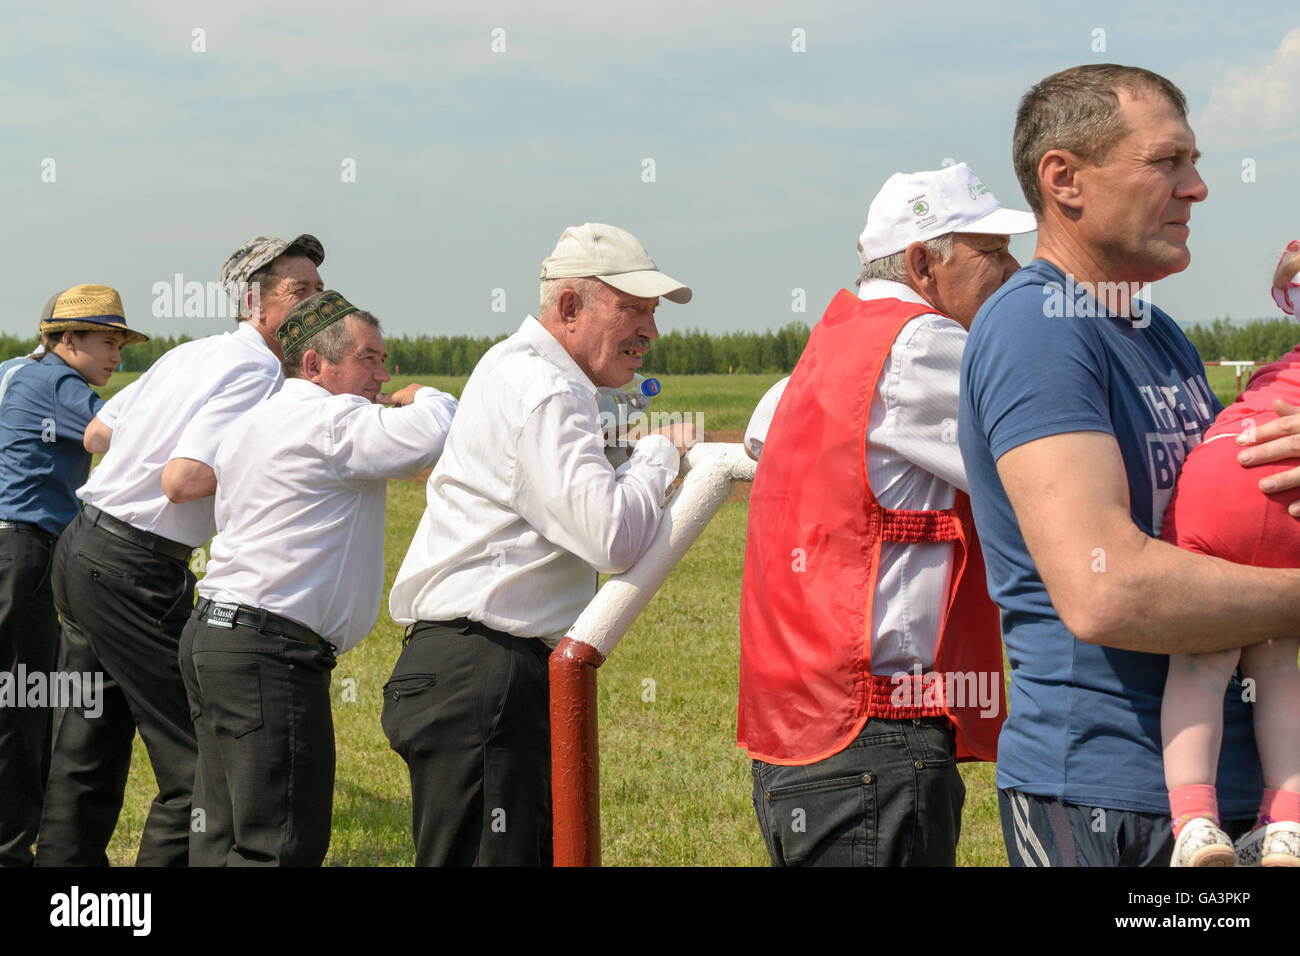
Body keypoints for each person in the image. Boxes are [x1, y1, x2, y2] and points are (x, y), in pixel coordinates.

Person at [958, 64, 1300, 867]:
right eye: (1166, 162)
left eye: (1195, 162)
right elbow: (1107, 591)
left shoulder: (1159, 334)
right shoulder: (1038, 329)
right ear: (1065, 179)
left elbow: (1232, 516)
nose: (1198, 188)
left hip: (1225, 802)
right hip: (1114, 801)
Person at [738, 163, 1031, 866]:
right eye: (990, 252)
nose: (1015, 268)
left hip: (800, 740)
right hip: (879, 740)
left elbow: (758, 429)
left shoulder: (834, 339)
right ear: (924, 262)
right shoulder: (924, 343)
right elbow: (1047, 468)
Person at [384, 222, 695, 866]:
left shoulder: (517, 370)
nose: (650, 331)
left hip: (469, 671)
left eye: (653, 313)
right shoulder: (546, 389)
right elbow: (610, 537)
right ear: (570, 306)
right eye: (632, 309)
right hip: (488, 673)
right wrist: (661, 455)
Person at [36, 234, 325, 866]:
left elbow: (96, 432)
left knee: (86, 747)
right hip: (135, 569)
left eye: (320, 291)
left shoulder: (196, 354)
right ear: (255, 303)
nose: (317, 305)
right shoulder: (257, 372)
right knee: (200, 758)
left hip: (84, 546)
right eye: (300, 292)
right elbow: (185, 479)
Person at [179, 291, 456, 866]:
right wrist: (423, 395)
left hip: (217, 639)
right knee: (278, 844)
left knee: (220, 834)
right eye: (369, 359)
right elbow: (436, 432)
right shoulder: (331, 418)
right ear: (314, 366)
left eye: (386, 362)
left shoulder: (255, 421)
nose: (383, 375)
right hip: (269, 652)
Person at [1156, 242, 1300, 866]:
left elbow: (1288, 275)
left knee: (1198, 665)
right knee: (1280, 667)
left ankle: (1194, 823)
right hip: (1287, 495)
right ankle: (1287, 823)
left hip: (1225, 476)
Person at [0, 286, 145, 866]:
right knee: (24, 708)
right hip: (27, 553)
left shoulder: (14, 370)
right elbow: (116, 438)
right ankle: (13, 850)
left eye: (120, 344)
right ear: (66, 340)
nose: (116, 356)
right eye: (105, 342)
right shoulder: (61, 384)